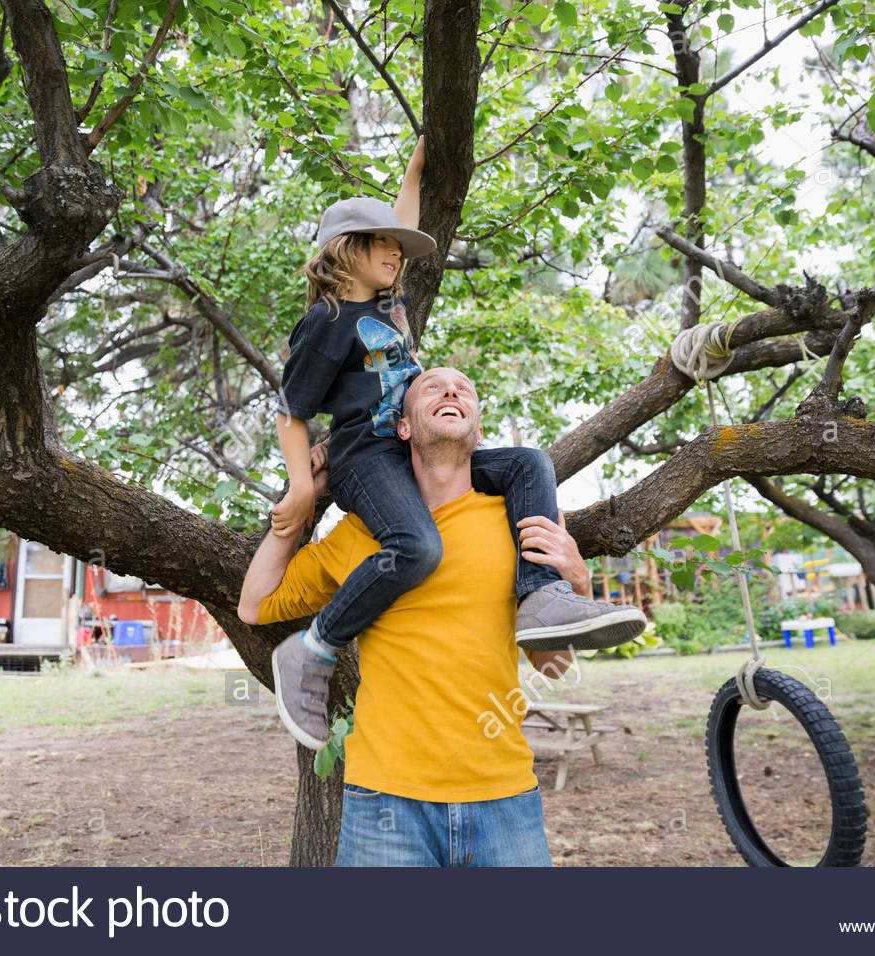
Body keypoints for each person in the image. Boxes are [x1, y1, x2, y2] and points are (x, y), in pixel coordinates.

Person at [266, 137, 645, 751]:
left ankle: (541, 597)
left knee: (529, 463)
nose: (395, 251)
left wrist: (416, 170)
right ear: (347, 250)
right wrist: (305, 488)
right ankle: (312, 648)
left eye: (396, 245)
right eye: (381, 244)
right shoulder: (329, 319)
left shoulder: (388, 304)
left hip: (414, 449)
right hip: (367, 459)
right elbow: (291, 410)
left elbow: (404, 222)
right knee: (416, 547)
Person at [239, 367, 598, 866]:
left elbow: (553, 666)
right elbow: (254, 605)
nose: (452, 390)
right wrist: (303, 501)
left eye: (464, 389)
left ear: (477, 430)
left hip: (503, 796)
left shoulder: (520, 520)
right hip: (385, 800)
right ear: (402, 426)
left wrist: (577, 584)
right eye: (432, 386)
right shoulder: (359, 533)